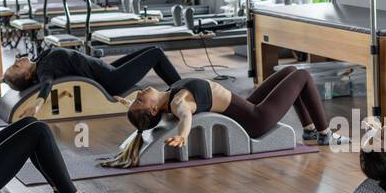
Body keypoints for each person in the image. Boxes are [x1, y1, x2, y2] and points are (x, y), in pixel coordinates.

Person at [102, 65, 341, 166]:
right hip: (256, 120)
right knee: (303, 76)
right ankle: (324, 133)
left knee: (289, 71)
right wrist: (183, 136)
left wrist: (126, 102)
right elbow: (186, 117)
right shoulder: (177, 102)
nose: (140, 93)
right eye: (141, 100)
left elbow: (139, 103)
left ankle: (309, 129)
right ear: (154, 109)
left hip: (247, 107)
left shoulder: (166, 97)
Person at [0, 46, 183, 119]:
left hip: (109, 70)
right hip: (113, 80)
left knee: (151, 50)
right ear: (28, 76)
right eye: (15, 67)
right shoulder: (44, 68)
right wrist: (37, 106)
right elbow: (47, 84)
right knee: (156, 54)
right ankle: (182, 90)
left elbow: (23, 79)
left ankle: (179, 90)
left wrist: (0, 79)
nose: (16, 62)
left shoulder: (39, 61)